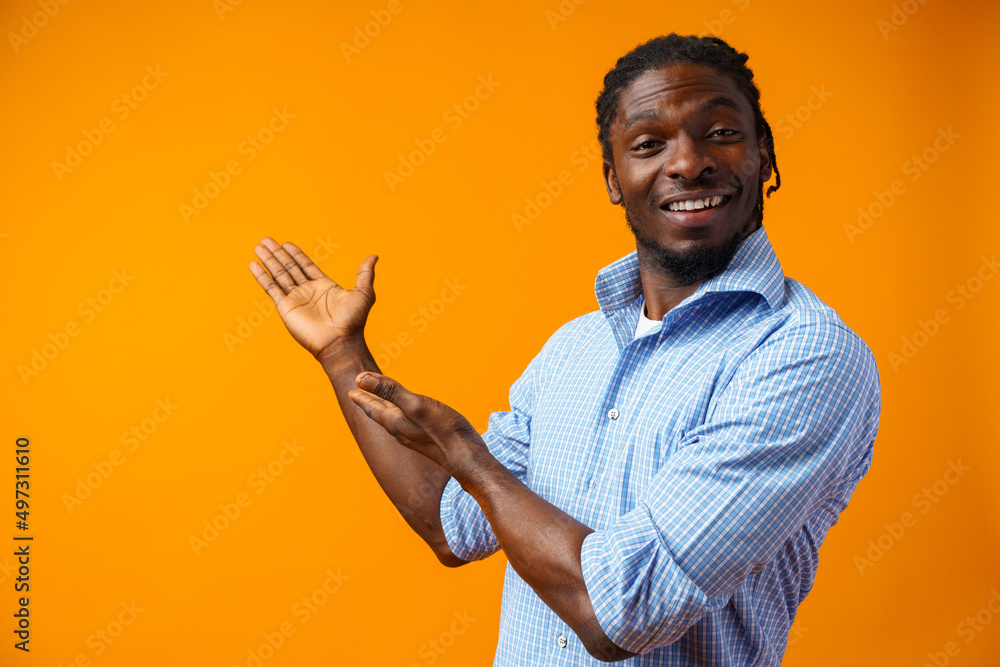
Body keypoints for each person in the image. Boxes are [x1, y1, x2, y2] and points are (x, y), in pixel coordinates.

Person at [248, 33, 881, 666]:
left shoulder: (805, 355)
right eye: (648, 144)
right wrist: (342, 353)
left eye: (719, 133)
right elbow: (451, 521)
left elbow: (621, 613)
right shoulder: (575, 348)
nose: (688, 163)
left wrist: (473, 458)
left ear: (764, 154)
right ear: (614, 178)